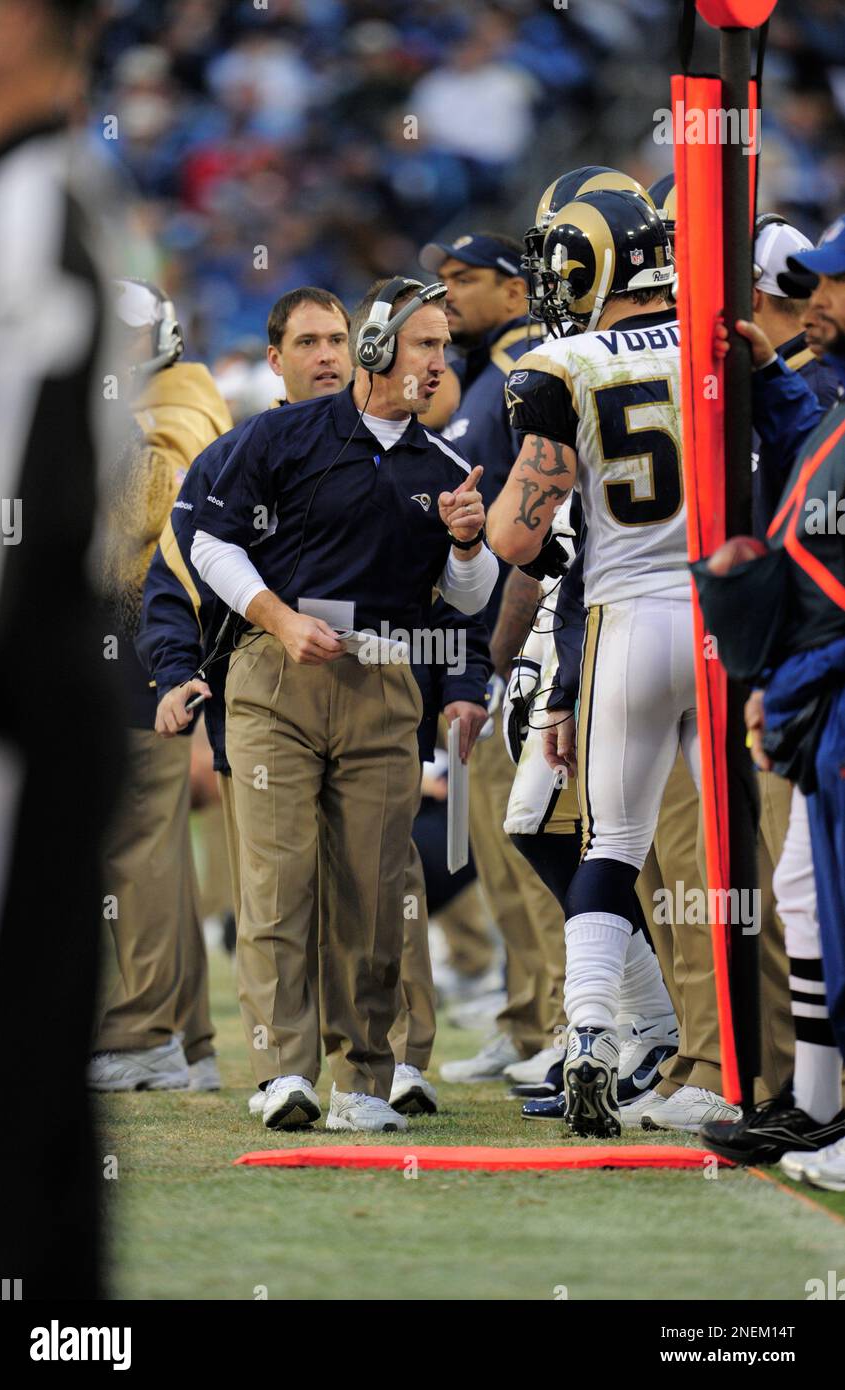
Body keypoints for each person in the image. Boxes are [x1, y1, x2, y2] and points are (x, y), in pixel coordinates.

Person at [139, 285, 492, 1121]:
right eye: (424, 345)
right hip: (272, 677)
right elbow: (205, 544)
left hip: (382, 677)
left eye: (445, 346)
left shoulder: (441, 466)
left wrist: (470, 542)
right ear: (381, 352)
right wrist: (274, 619)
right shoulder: (272, 436)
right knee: (276, 878)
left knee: (374, 889)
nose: (439, 362)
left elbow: (467, 600)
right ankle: (281, 1073)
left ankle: (368, 1074)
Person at [488, 187, 739, 1138]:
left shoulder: (559, 366)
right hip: (724, 617)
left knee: (611, 844)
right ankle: (721, 1067)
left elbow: (518, 537)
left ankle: (592, 1033)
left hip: (626, 622)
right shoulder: (720, 341)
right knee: (725, 856)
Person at [0, 0, 123, 1298]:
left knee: (12, 1076)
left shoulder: (31, 200)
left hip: (12, 698)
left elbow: (15, 491)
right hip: (34, 683)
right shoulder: (41, 191)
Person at [695, 221, 845, 1180]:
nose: (815, 298)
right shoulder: (832, 402)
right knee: (805, 889)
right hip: (817, 696)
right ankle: (819, 1108)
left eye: (833, 284)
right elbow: (810, 463)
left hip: (826, 684)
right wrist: (772, 379)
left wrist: (785, 681)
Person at [417, 230, 569, 1087]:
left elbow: (532, 521)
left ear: (518, 290)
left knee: (530, 837)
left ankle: (557, 1017)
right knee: (493, 842)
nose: (449, 298)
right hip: (478, 643)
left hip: (528, 630)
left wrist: (512, 645)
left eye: (464, 281)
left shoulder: (526, 366)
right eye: (440, 284)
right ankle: (523, 1016)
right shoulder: (477, 375)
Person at [89, 278, 233, 1093]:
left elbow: (151, 501)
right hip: (138, 634)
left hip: (142, 632)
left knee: (136, 839)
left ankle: (146, 1029)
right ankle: (187, 1038)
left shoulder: (175, 402)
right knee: (152, 849)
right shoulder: (169, 392)